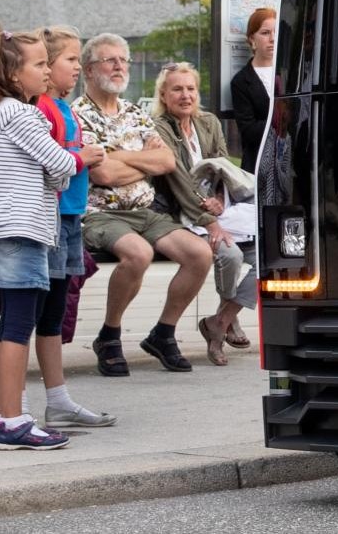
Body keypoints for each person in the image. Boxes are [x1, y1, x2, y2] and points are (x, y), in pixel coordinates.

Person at [73, 33, 221, 377]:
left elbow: (167, 162)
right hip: (100, 213)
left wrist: (121, 156)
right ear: (89, 70)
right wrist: (141, 159)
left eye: (123, 60)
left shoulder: (134, 112)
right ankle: (109, 335)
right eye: (110, 60)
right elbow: (104, 173)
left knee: (199, 254)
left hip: (146, 210)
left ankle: (163, 333)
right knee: (138, 254)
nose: (119, 67)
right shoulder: (78, 114)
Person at [0, 31, 81, 450]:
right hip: (22, 229)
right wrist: (79, 157)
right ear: (13, 75)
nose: (46, 71)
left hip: (18, 228)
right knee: (18, 324)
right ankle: (9, 419)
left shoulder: (4, 116)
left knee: (15, 323)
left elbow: (53, 172)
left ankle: (7, 415)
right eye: (38, 65)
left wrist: (60, 166)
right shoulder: (22, 116)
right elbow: (60, 164)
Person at [31, 26, 116, 427]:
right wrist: (85, 157)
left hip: (69, 216)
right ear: (46, 66)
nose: (76, 68)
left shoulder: (63, 108)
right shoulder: (43, 108)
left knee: (56, 311)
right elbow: (52, 163)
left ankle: (58, 397)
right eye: (69, 59)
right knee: (41, 310)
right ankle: (34, 401)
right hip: (52, 216)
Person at [152, 64, 256, 364]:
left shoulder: (209, 122)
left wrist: (220, 200)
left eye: (191, 89)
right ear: (163, 94)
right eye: (177, 89)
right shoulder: (160, 127)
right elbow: (179, 180)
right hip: (183, 214)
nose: (185, 95)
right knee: (231, 256)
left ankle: (221, 320)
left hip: (220, 210)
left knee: (272, 259)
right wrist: (209, 218)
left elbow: (225, 168)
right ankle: (224, 325)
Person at [227, 9, 276, 167]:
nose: (273, 39)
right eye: (265, 33)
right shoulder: (241, 81)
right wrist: (280, 123)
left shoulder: (292, 73)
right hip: (259, 164)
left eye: (276, 32)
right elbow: (248, 131)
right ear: (252, 39)